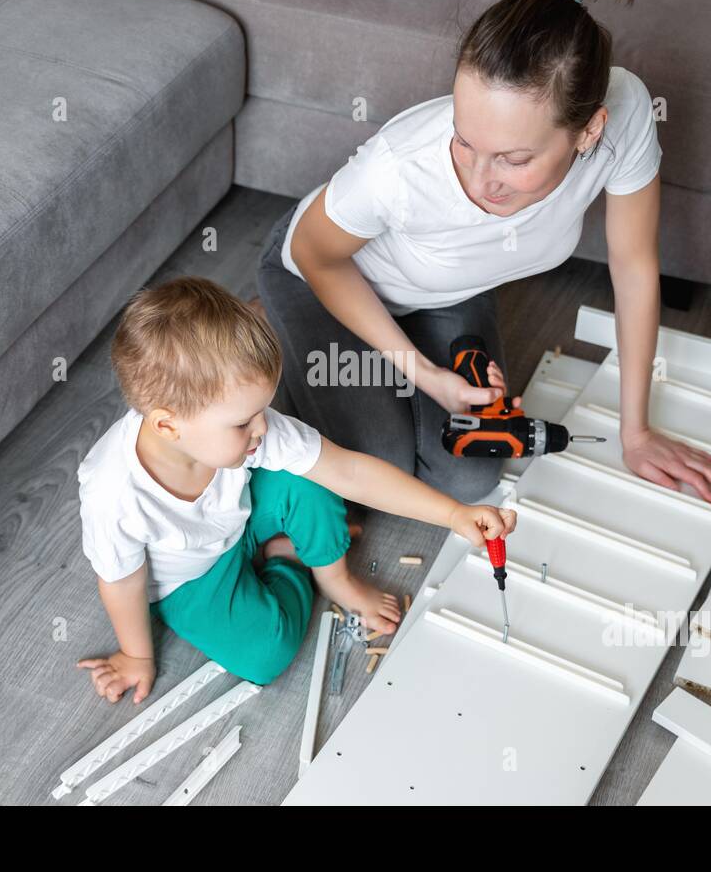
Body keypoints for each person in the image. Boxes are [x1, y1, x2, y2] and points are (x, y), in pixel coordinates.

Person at [257, 0, 711, 505]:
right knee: (374, 467)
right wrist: (423, 374)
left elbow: (632, 266)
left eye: (512, 159)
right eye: (464, 140)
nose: (482, 180)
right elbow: (316, 254)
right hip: (321, 273)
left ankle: (383, 360)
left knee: (469, 475)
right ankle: (260, 331)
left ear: (589, 131)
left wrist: (637, 432)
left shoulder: (626, 113)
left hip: (447, 287)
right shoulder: (399, 167)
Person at [74, 277, 516, 703]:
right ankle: (286, 557)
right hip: (190, 579)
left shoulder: (244, 430)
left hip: (242, 517)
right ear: (168, 426)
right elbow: (122, 582)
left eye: (263, 410)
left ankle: (335, 578)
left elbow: (350, 471)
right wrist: (136, 654)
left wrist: (454, 514)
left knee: (314, 479)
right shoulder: (113, 492)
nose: (264, 427)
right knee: (266, 654)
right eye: (244, 421)